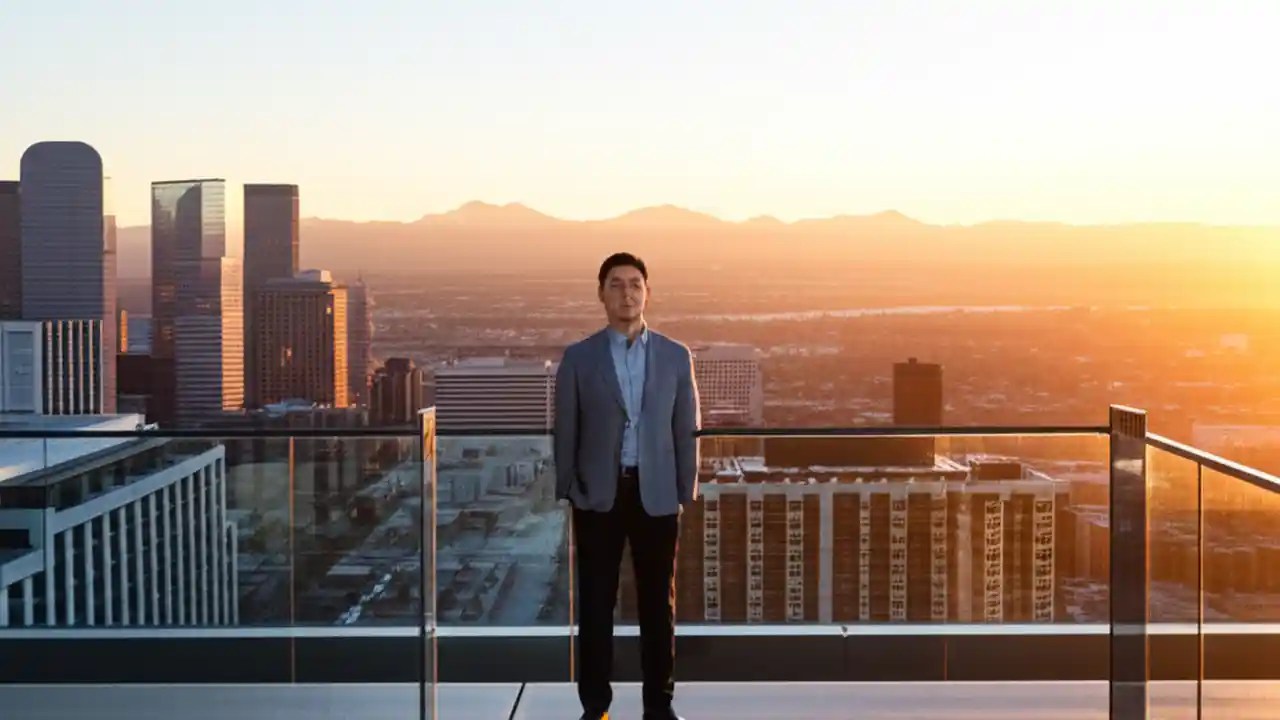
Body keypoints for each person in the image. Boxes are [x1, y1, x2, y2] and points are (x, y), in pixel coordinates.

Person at [554, 252, 701, 720]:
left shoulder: (678, 357)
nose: (626, 293)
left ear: (647, 292)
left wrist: (684, 491)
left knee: (659, 604)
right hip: (598, 496)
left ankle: (659, 705)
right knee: (596, 605)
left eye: (635, 283)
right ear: (600, 294)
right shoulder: (578, 358)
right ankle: (596, 707)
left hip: (655, 495)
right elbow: (567, 430)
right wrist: (569, 488)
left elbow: (686, 429)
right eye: (615, 284)